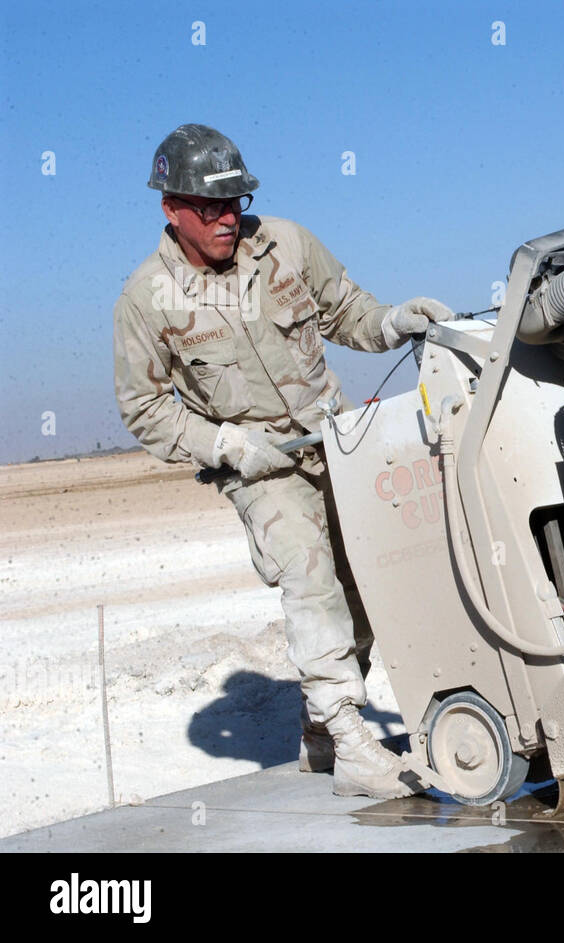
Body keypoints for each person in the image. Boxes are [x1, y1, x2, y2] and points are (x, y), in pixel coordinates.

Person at [113, 124, 449, 798]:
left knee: (366, 579)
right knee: (307, 568)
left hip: (334, 445)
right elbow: (144, 406)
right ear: (169, 208)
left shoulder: (287, 244)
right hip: (260, 467)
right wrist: (225, 444)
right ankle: (352, 742)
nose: (227, 218)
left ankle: (322, 729)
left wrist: (393, 323)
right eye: (210, 208)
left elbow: (346, 310)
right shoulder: (146, 300)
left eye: (235, 202)